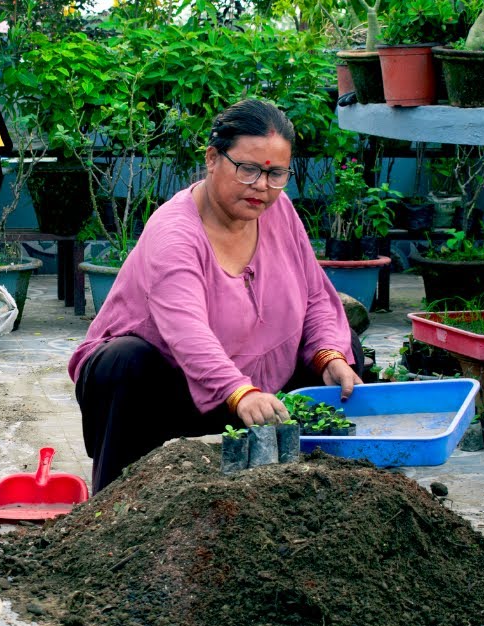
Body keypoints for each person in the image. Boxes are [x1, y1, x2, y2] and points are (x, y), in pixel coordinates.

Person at [68, 98, 364, 493]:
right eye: (248, 169)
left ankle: (318, 493)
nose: (262, 186)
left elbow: (315, 296)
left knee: (343, 352)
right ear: (212, 158)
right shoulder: (174, 233)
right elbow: (186, 331)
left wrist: (331, 355)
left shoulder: (278, 210)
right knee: (124, 361)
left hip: (259, 381)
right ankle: (117, 502)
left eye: (276, 173)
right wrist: (238, 392)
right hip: (174, 386)